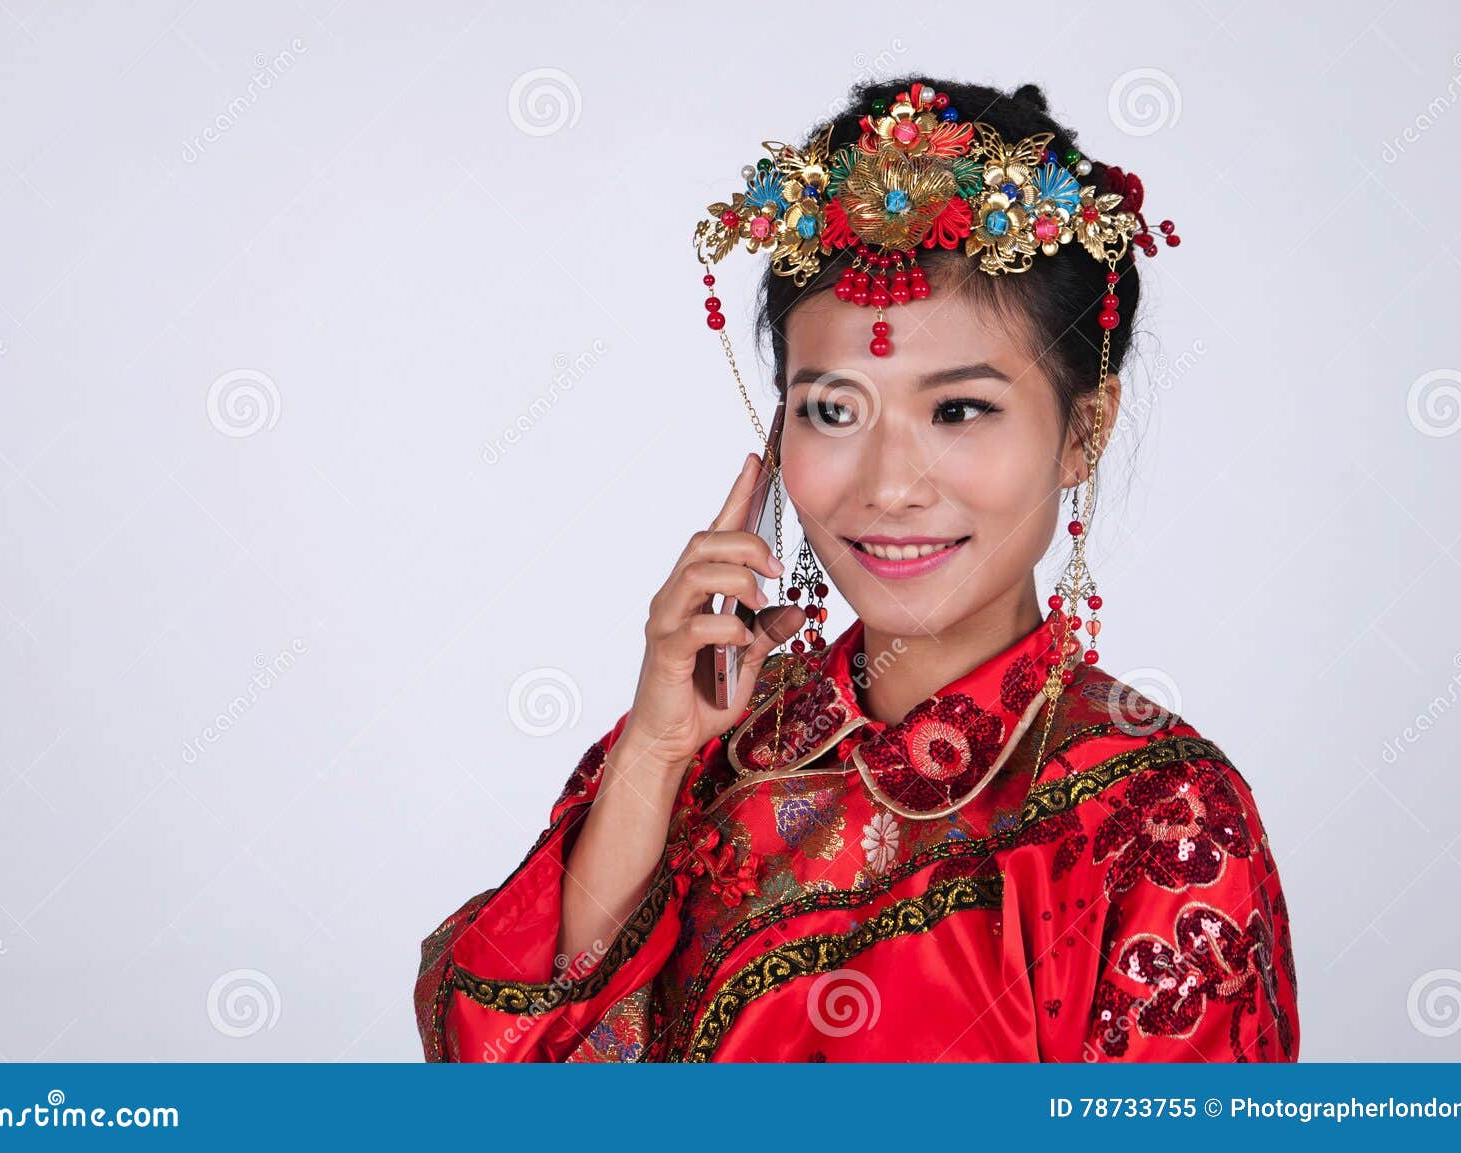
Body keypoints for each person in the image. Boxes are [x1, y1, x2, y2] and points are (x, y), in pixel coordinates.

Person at [413, 76, 1298, 1062]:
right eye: (833, 410)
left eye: (958, 410)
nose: (887, 487)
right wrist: (654, 756)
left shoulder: (1158, 817)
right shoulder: (711, 747)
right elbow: (491, 1072)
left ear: (1081, 431)